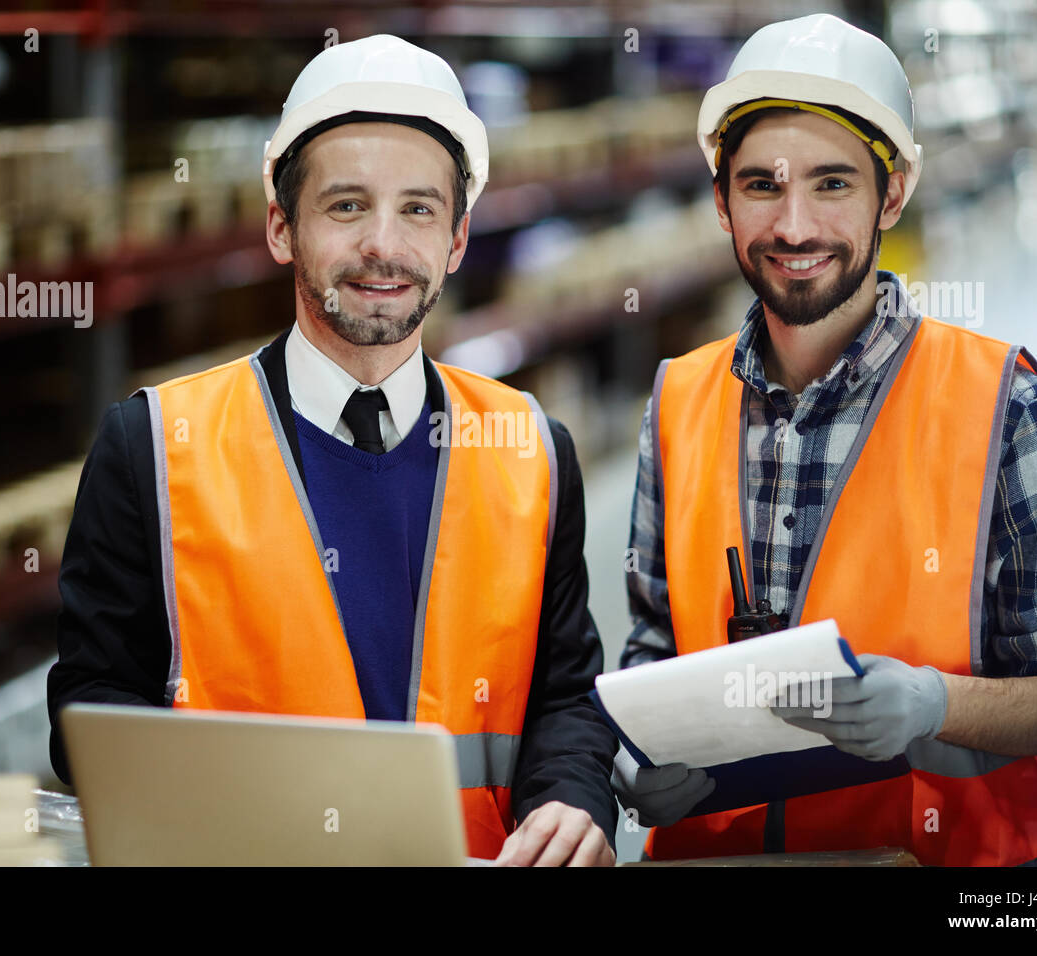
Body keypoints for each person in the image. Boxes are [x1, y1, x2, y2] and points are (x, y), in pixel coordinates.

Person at [48, 34, 617, 866]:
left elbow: (563, 695)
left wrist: (574, 798)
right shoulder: (153, 448)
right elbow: (89, 711)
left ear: (458, 241)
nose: (383, 246)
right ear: (282, 226)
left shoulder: (531, 450)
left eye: (419, 209)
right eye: (347, 206)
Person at [613, 13, 1037, 865]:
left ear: (892, 193)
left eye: (833, 184)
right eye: (763, 186)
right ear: (721, 199)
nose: (796, 226)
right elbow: (652, 647)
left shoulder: (1004, 405)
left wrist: (934, 704)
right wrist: (631, 758)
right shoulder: (677, 401)